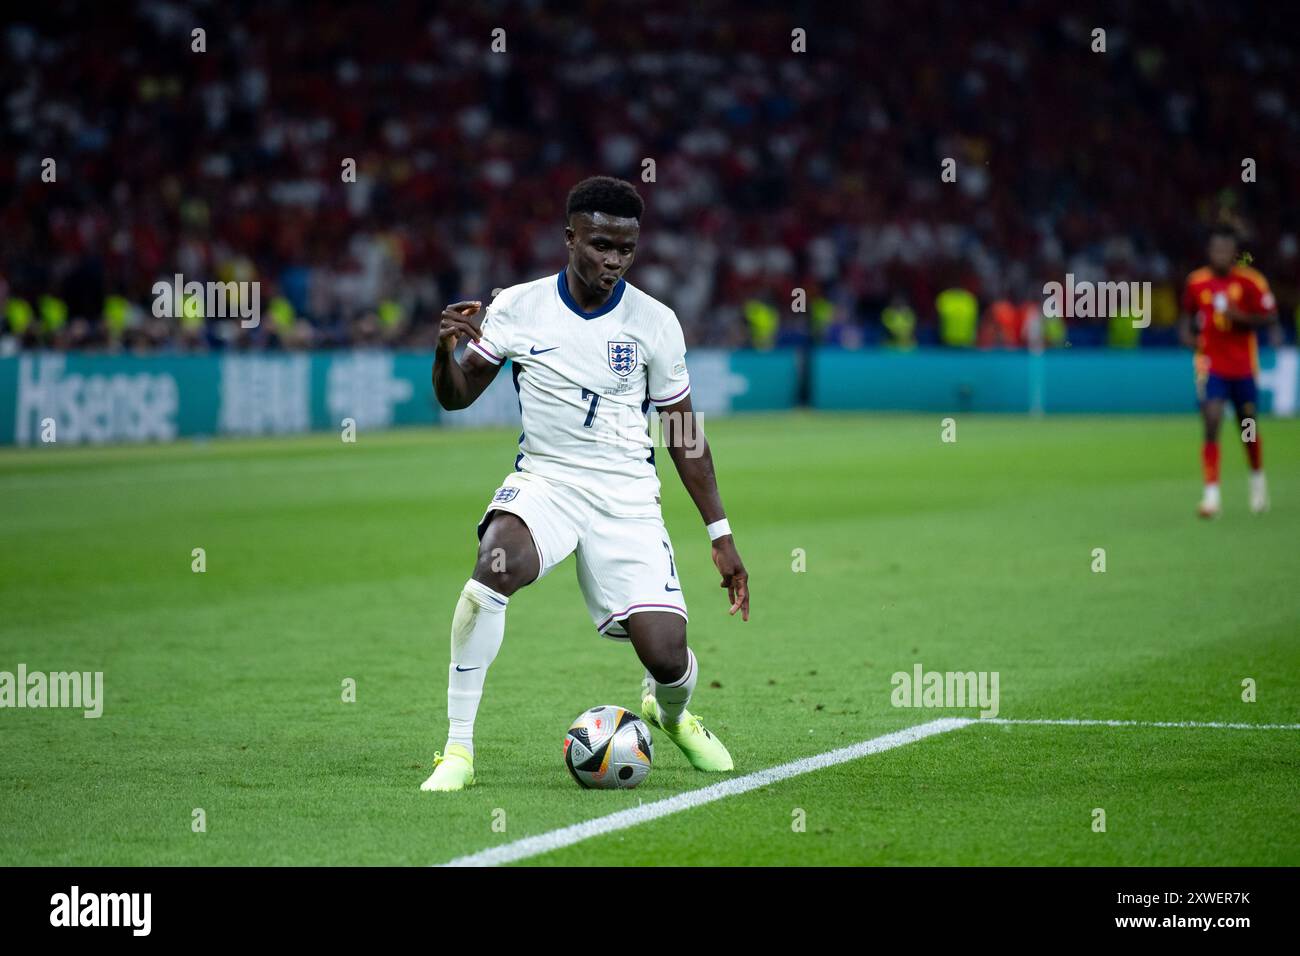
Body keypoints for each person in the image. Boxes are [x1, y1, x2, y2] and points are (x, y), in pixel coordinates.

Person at [422, 176, 750, 791]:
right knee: (494, 565)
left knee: (666, 655)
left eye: (626, 249)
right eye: (601, 245)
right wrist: (443, 352)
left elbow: (684, 433)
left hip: (627, 496)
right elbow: (457, 397)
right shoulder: (518, 307)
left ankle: (669, 712)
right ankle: (458, 751)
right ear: (569, 236)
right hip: (546, 481)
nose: (614, 261)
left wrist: (720, 533)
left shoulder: (655, 322)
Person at [1179, 225, 1278, 517]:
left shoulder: (1251, 282)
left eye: (1225, 250)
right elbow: (1186, 317)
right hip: (1211, 366)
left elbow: (1271, 316)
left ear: (1234, 253)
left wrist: (1240, 317)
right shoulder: (1197, 282)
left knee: (1247, 426)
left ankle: (1257, 480)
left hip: (1243, 367)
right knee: (1211, 420)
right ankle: (1211, 496)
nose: (1220, 255)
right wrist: (1186, 337)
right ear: (1209, 252)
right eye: (1215, 250)